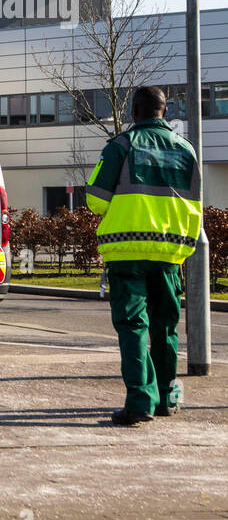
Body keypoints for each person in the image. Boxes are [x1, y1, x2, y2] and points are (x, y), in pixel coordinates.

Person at [85, 86, 202, 426]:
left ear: (134, 111)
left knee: (134, 326)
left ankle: (140, 402)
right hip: (169, 252)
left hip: (127, 251)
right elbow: (194, 205)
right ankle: (167, 397)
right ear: (164, 112)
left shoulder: (122, 146)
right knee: (166, 327)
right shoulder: (185, 150)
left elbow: (96, 201)